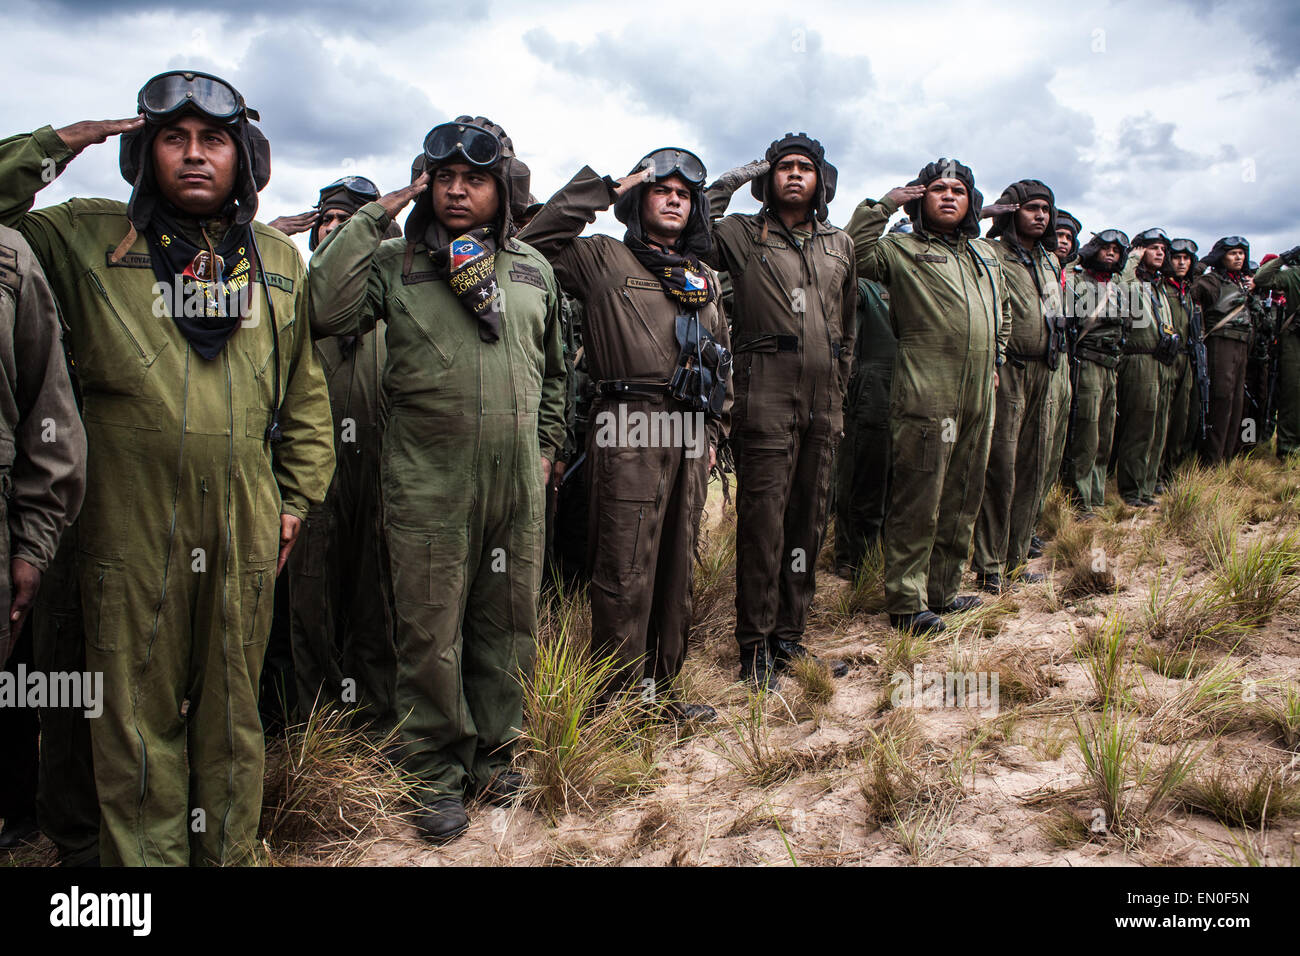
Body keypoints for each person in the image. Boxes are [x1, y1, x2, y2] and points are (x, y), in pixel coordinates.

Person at [0, 71, 335, 865]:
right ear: (140, 153)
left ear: (243, 158)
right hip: (125, 515)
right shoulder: (85, 236)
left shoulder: (281, 262)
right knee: (131, 718)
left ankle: (224, 853)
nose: (192, 155)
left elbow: (308, 398)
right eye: (171, 139)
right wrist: (54, 145)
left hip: (245, 519)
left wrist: (293, 500)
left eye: (212, 140)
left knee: (231, 710)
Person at [310, 117, 566, 845]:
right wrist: (378, 211)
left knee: (507, 624)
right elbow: (324, 310)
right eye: (444, 178)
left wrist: (545, 448)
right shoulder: (395, 264)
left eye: (474, 179)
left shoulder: (531, 268)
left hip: (515, 483)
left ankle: (496, 755)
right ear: (427, 183)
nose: (458, 190)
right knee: (429, 635)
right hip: (428, 482)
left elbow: (556, 371)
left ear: (501, 189)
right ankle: (431, 771)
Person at [521, 148, 731, 710]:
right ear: (640, 199)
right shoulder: (603, 259)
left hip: (690, 425)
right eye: (661, 190)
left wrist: (713, 433)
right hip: (628, 418)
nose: (673, 200)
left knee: (675, 561)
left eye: (684, 195)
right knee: (624, 562)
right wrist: (604, 189)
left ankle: (660, 691)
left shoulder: (702, 279)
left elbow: (722, 358)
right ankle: (615, 703)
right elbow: (530, 244)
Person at [702, 134, 855, 687]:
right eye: (784, 168)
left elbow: (848, 323)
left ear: (821, 180)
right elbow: (698, 226)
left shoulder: (839, 244)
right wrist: (738, 177)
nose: (794, 175)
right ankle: (754, 647)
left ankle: (790, 637)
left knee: (807, 521)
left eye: (804, 168)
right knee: (763, 522)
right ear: (771, 178)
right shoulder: (744, 234)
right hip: (764, 390)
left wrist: (838, 387)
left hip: (823, 400)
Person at [846, 159, 1007, 635]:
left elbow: (1006, 312)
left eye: (959, 189)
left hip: (980, 391)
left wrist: (996, 358)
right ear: (922, 198)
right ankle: (906, 601)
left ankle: (943, 590)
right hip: (925, 388)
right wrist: (883, 204)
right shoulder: (900, 249)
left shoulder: (985, 256)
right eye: (938, 188)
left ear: (970, 201)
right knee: (920, 496)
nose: (949, 195)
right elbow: (851, 255)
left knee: (963, 494)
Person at [268, 176, 399, 728]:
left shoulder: (393, 300)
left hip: (381, 472)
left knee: (376, 598)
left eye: (351, 221)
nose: (336, 227)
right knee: (309, 602)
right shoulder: (288, 294)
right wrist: (265, 234)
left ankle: (375, 718)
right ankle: (314, 725)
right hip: (309, 476)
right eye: (327, 220)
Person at [0, 225, 87, 853]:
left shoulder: (12, 259)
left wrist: (32, 544)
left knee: (32, 688)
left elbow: (47, 415)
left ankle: (41, 816)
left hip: (22, 531)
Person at [971, 180, 1067, 593]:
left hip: (1046, 372)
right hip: (1008, 370)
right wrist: (993, 211)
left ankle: (1014, 559)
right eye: (1030, 208)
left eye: (1046, 208)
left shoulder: (1049, 260)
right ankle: (989, 566)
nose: (1041, 216)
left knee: (1034, 464)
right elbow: (962, 234)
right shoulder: (992, 253)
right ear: (1013, 212)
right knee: (1001, 467)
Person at [1061, 230, 1130, 513]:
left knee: (1104, 434)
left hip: (1110, 365)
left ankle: (1097, 496)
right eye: (1105, 247)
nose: (1111, 252)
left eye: (1116, 249)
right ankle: (1079, 501)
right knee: (1085, 434)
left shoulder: (1118, 286)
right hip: (1086, 362)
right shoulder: (1077, 279)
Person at [833, 275, 896, 579]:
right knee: (861, 477)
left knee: (890, 481)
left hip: (902, 390)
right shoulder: (867, 288)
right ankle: (853, 558)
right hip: (867, 392)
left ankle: (877, 555)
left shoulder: (911, 287)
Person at [1113, 228, 1174, 506]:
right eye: (1152, 248)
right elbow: (1122, 290)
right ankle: (1131, 489)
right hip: (1138, 358)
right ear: (1139, 251)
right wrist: (1131, 260)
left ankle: (1147, 486)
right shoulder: (1130, 279)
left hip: (1162, 359)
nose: (1160, 252)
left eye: (1163, 248)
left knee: (1158, 426)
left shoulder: (1159, 284)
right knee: (1139, 427)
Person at [1194, 237, 1256, 463]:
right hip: (1221, 343)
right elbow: (1190, 286)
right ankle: (1211, 461)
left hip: (1241, 345)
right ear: (1221, 256)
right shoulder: (1212, 280)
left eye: (1241, 253)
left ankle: (1225, 460)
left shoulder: (1240, 282)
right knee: (1220, 400)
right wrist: (1204, 262)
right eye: (1232, 253)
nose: (1238, 257)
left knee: (1236, 403)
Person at [1161, 239, 1202, 479]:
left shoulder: (1190, 291)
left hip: (1187, 358)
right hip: (1166, 357)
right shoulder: (1162, 288)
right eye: (1177, 257)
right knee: (1161, 415)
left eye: (1186, 258)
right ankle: (1156, 471)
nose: (1182, 262)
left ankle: (1170, 469)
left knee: (1182, 417)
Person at [1254, 246, 1300, 458]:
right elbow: (1261, 279)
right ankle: (1288, 450)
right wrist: (1284, 257)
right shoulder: (1293, 275)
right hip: (1294, 342)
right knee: (1293, 396)